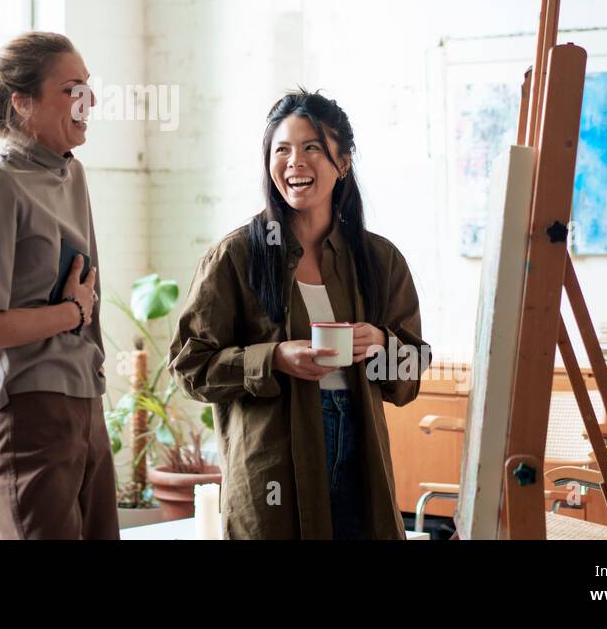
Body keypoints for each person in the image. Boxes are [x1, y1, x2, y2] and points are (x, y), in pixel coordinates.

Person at [169, 88, 430, 539]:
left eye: (312, 147)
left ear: (343, 162)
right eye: (282, 149)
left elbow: (410, 376)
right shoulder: (235, 257)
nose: (295, 162)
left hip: (360, 452)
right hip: (273, 462)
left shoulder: (379, 259)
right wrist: (273, 359)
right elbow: (190, 367)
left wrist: (382, 344)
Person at [0, 31, 118, 539]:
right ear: (22, 103)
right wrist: (68, 314)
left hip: (85, 406)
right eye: (70, 88)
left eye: (88, 85)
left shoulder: (73, 174)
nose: (88, 99)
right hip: (25, 417)